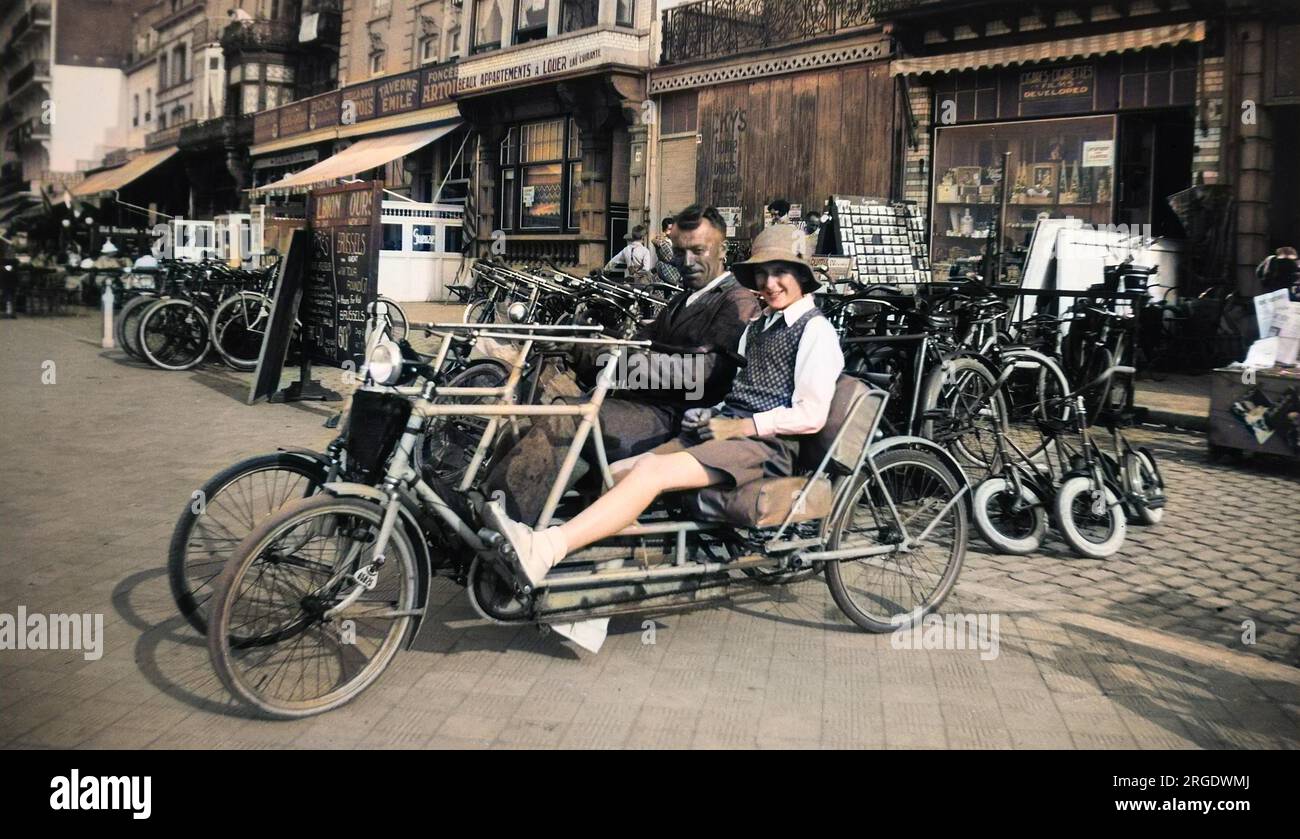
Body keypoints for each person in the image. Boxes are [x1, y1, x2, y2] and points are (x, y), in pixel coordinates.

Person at [484, 222, 844, 591]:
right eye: (763, 274)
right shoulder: (760, 325)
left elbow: (811, 415)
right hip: (726, 428)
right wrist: (712, 411)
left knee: (649, 471)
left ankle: (546, 549)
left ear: (802, 275)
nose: (770, 283)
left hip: (764, 446)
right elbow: (739, 388)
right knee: (618, 472)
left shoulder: (814, 331)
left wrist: (740, 425)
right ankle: (615, 578)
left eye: (781, 272)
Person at [483, 204, 761, 523]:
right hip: (641, 408)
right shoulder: (684, 298)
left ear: (722, 249)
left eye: (698, 251)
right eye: (679, 252)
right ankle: (485, 502)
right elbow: (636, 343)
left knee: (567, 419)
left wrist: (612, 358)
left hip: (676, 419)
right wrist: (578, 345)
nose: (687, 262)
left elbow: (705, 374)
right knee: (528, 422)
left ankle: (502, 522)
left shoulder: (735, 300)